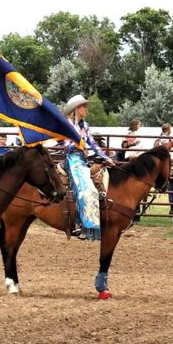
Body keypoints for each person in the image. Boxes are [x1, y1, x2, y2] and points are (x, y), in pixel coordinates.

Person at [59, 95, 113, 239]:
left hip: (83, 159)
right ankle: (80, 223)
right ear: (76, 109)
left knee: (100, 179)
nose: (86, 109)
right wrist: (78, 140)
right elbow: (66, 147)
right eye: (83, 106)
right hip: (72, 160)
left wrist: (106, 158)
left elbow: (94, 145)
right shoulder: (67, 125)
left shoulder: (85, 125)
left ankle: (90, 222)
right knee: (86, 190)